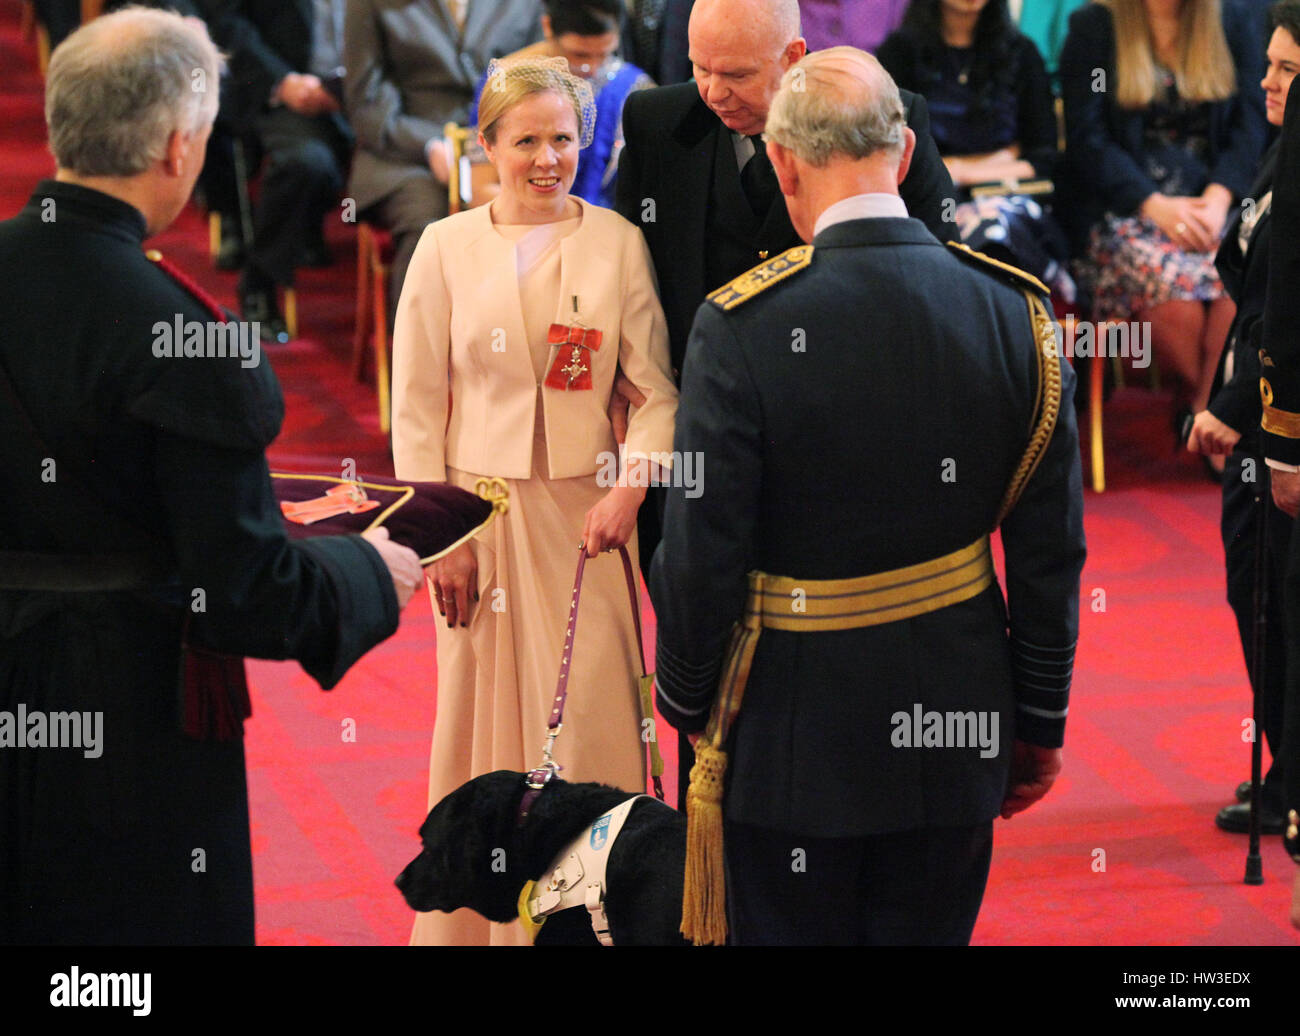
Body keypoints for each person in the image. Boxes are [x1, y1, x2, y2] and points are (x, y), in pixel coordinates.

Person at [0, 8, 424, 945]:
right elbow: (241, 592)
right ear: (178, 146)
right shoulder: (188, 338)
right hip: (127, 717)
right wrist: (367, 574)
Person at [649, 46, 1086, 945]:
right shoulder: (1016, 312)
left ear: (781, 161)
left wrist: (687, 700)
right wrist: (1039, 715)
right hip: (961, 725)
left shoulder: (741, 328)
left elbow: (702, 558)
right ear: (906, 148)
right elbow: (1051, 552)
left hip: (790, 741)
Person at [613, 0, 959, 806]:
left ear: (794, 55)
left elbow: (931, 271)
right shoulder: (659, 120)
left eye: (734, 74)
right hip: (697, 447)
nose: (709, 90)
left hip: (833, 458)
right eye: (698, 66)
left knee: (819, 673)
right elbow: (630, 278)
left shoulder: (876, 116)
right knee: (697, 635)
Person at [390, 56, 679, 945]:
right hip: (475, 524)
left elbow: (658, 394)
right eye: (526, 141)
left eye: (563, 138)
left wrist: (632, 491)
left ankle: (593, 922)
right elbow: (415, 409)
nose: (547, 158)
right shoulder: (443, 246)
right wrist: (443, 542)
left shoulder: (619, 240)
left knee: (590, 723)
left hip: (588, 524)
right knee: (479, 728)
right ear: (487, 147)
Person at [1187, 0, 1300, 835]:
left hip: (1279, 420)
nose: (1266, 80)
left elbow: (1280, 307)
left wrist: (1230, 408)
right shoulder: (1277, 153)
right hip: (1255, 403)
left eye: (1287, 69)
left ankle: (1292, 779)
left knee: (1273, 598)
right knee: (1255, 593)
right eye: (1267, 63)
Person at [1059, 0, 1266, 426]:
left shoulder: (1236, 19)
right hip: (1123, 208)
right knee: (1178, 306)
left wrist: (1219, 197)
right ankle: (1218, 414)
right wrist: (1152, 205)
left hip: (1214, 203)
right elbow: (1087, 139)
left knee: (1242, 276)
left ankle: (1204, 416)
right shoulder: (1093, 26)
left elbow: (1253, 125)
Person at [343, 0, 543, 322]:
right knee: (432, 229)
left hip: (502, 149)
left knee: (543, 219)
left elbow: (539, 83)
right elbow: (366, 103)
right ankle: (419, 361)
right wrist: (428, 145)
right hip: (405, 156)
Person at [878, 0, 1074, 300]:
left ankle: (1003, 333)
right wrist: (1004, 155)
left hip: (1012, 200)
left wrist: (955, 168)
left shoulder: (1022, 53)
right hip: (927, 200)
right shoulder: (900, 52)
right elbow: (897, 154)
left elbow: (1042, 159)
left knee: (995, 228)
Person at [201, 0, 354, 342]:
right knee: (307, 164)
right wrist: (281, 82)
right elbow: (227, 23)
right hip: (287, 88)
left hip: (375, 95)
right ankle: (259, 282)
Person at [455, 0, 654, 209]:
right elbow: (481, 189)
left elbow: (649, 194)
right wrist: (555, 225)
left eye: (605, 54)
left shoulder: (636, 88)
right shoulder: (502, 82)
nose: (593, 69)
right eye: (580, 55)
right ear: (548, 27)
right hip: (521, 226)